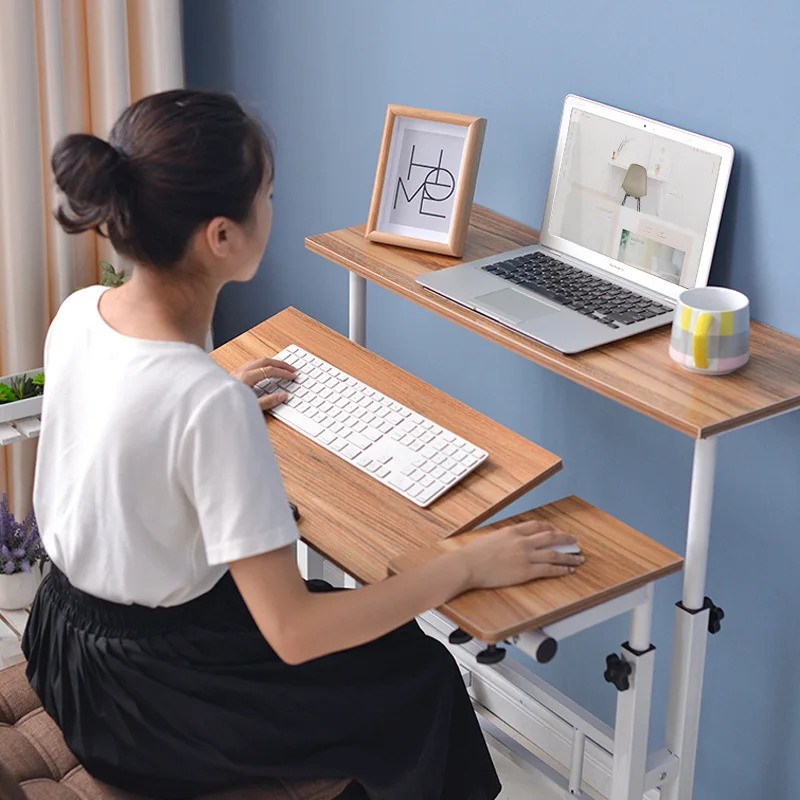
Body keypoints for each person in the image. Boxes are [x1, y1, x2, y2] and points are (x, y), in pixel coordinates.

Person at [21, 89, 584, 800]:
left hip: (66, 650)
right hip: (152, 707)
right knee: (424, 676)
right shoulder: (204, 402)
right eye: (269, 194)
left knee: (360, 639)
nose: (273, 209)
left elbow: (127, 428)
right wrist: (463, 564)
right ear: (222, 235)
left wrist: (215, 394)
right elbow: (294, 633)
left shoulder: (81, 315)